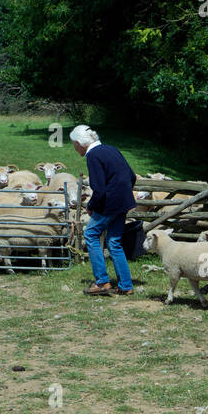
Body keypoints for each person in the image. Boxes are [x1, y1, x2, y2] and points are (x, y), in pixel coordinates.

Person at [72, 125, 136, 296]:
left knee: (91, 234)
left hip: (109, 204)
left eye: (74, 144)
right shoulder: (111, 149)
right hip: (123, 202)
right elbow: (132, 176)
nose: (74, 148)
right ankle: (126, 285)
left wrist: (91, 205)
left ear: (79, 143)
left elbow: (99, 189)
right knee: (114, 241)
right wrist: (122, 194)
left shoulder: (93, 155)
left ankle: (101, 282)